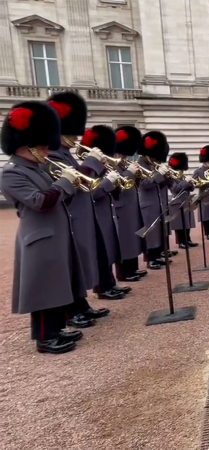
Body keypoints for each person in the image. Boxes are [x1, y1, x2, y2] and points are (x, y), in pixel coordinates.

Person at [1, 101, 88, 353]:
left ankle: (57, 328)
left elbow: (60, 195)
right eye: (42, 147)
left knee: (58, 283)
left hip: (56, 233)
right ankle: (45, 337)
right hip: (38, 236)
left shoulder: (39, 167)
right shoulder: (12, 173)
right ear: (25, 146)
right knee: (43, 288)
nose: (47, 151)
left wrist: (70, 183)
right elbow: (40, 201)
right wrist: (65, 182)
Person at [46, 91, 109, 325]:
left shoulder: (66, 154)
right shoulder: (53, 156)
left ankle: (81, 304)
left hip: (83, 212)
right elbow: (75, 181)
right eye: (71, 133)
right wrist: (91, 161)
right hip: (71, 215)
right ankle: (72, 310)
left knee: (81, 262)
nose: (75, 138)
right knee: (74, 263)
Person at [80, 125, 131, 300]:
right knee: (102, 250)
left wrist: (115, 182)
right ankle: (102, 287)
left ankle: (110, 283)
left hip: (107, 210)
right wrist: (109, 181)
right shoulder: (87, 167)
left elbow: (112, 192)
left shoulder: (100, 167)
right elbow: (92, 192)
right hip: (96, 211)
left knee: (109, 247)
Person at [113, 126, 148, 282]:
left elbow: (136, 184)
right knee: (124, 242)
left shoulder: (123, 165)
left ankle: (133, 268)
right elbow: (119, 183)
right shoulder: (113, 166)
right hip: (120, 207)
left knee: (133, 239)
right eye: (122, 154)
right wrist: (131, 172)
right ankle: (123, 273)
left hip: (131, 206)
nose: (124, 157)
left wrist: (138, 175)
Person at [137, 131, 173, 270]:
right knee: (151, 233)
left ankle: (158, 255)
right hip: (148, 204)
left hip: (159, 203)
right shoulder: (139, 165)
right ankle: (151, 259)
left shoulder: (152, 164)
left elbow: (159, 184)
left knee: (159, 231)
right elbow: (145, 184)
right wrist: (160, 175)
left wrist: (167, 177)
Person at [167, 152, 197, 249]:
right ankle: (181, 242)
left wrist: (191, 183)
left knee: (187, 222)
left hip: (186, 200)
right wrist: (185, 182)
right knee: (180, 224)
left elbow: (190, 189)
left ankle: (187, 239)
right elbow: (174, 189)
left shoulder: (181, 175)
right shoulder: (170, 176)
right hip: (177, 202)